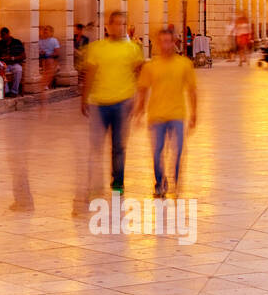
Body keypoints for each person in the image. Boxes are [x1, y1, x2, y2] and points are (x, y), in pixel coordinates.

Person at [79, 11, 144, 194]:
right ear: (109, 26)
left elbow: (139, 74)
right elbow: (89, 75)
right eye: (116, 24)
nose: (120, 27)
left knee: (118, 146)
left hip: (123, 103)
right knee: (96, 145)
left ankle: (118, 183)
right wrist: (84, 99)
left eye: (124, 24)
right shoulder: (97, 48)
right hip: (99, 103)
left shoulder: (133, 49)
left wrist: (139, 99)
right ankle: (94, 183)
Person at [136, 29, 198, 197]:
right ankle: (160, 182)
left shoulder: (184, 64)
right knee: (157, 153)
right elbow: (142, 89)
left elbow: (192, 90)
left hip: (177, 114)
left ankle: (176, 182)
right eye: (162, 41)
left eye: (168, 41)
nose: (165, 45)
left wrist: (194, 114)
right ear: (158, 43)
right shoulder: (151, 66)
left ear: (174, 43)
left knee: (178, 151)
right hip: (156, 116)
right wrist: (139, 111)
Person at [0, 27, 25, 97]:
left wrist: (12, 58)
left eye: (4, 35)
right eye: (2, 36)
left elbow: (23, 56)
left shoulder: (17, 42)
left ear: (8, 34)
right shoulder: (0, 44)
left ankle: (14, 91)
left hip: (15, 63)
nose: (3, 37)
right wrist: (2, 59)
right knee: (0, 70)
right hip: (4, 64)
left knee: (18, 70)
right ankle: (6, 91)